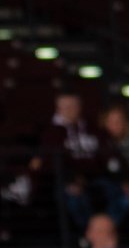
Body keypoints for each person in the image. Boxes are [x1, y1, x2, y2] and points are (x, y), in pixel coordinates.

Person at [32, 93, 113, 229]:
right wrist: (72, 179)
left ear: (80, 107)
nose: (70, 110)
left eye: (73, 106)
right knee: (74, 196)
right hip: (65, 180)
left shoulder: (93, 128)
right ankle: (90, 232)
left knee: (117, 191)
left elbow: (106, 155)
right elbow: (50, 162)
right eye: (66, 107)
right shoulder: (51, 132)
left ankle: (106, 230)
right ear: (58, 109)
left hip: (94, 177)